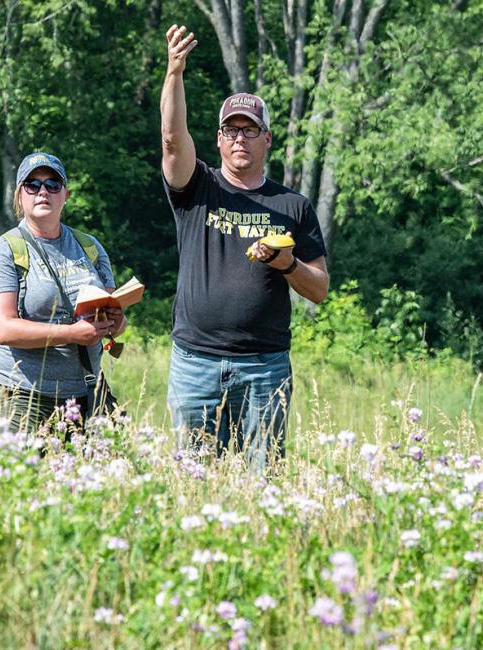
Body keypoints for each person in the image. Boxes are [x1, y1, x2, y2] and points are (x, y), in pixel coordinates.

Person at [160, 24, 330, 473]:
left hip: (264, 367)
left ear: (267, 139)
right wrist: (174, 73)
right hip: (195, 362)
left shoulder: (292, 205)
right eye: (230, 130)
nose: (239, 138)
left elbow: (318, 289)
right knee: (193, 484)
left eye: (250, 130)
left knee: (265, 482)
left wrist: (287, 262)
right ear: (217, 140)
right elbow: (174, 141)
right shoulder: (197, 188)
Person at [0, 152, 126, 432]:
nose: (43, 191)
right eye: (32, 185)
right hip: (20, 394)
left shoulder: (89, 246)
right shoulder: (3, 251)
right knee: (23, 476)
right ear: (20, 196)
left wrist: (115, 324)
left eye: (52, 184)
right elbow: (4, 329)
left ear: (65, 194)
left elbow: (111, 312)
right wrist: (73, 334)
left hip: (86, 389)